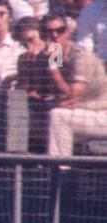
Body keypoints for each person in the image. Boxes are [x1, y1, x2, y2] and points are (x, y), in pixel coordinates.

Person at [45, 12, 107, 157]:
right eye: (49, 32)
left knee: (58, 116)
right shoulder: (54, 54)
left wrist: (53, 69)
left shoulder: (81, 57)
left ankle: (60, 174)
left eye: (59, 30)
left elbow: (71, 97)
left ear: (67, 32)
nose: (54, 35)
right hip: (85, 115)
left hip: (102, 114)